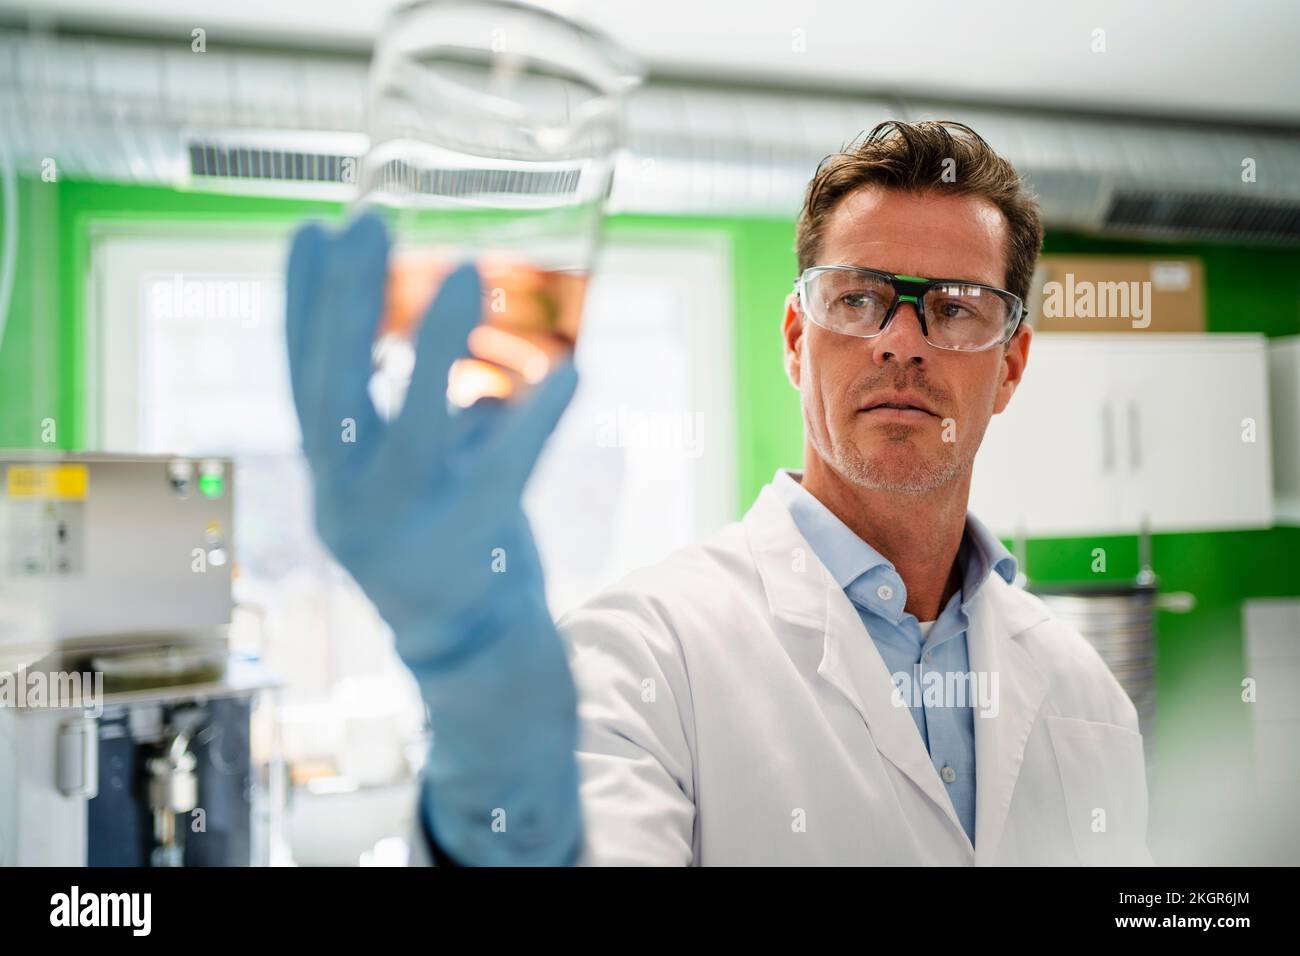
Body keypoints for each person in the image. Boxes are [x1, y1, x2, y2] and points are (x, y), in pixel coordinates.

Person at [285, 120, 1152, 866]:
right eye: (857, 299)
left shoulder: (1088, 697)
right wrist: (483, 723)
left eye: (956, 307)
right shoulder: (643, 656)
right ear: (794, 341)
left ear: (1010, 366)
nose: (900, 341)